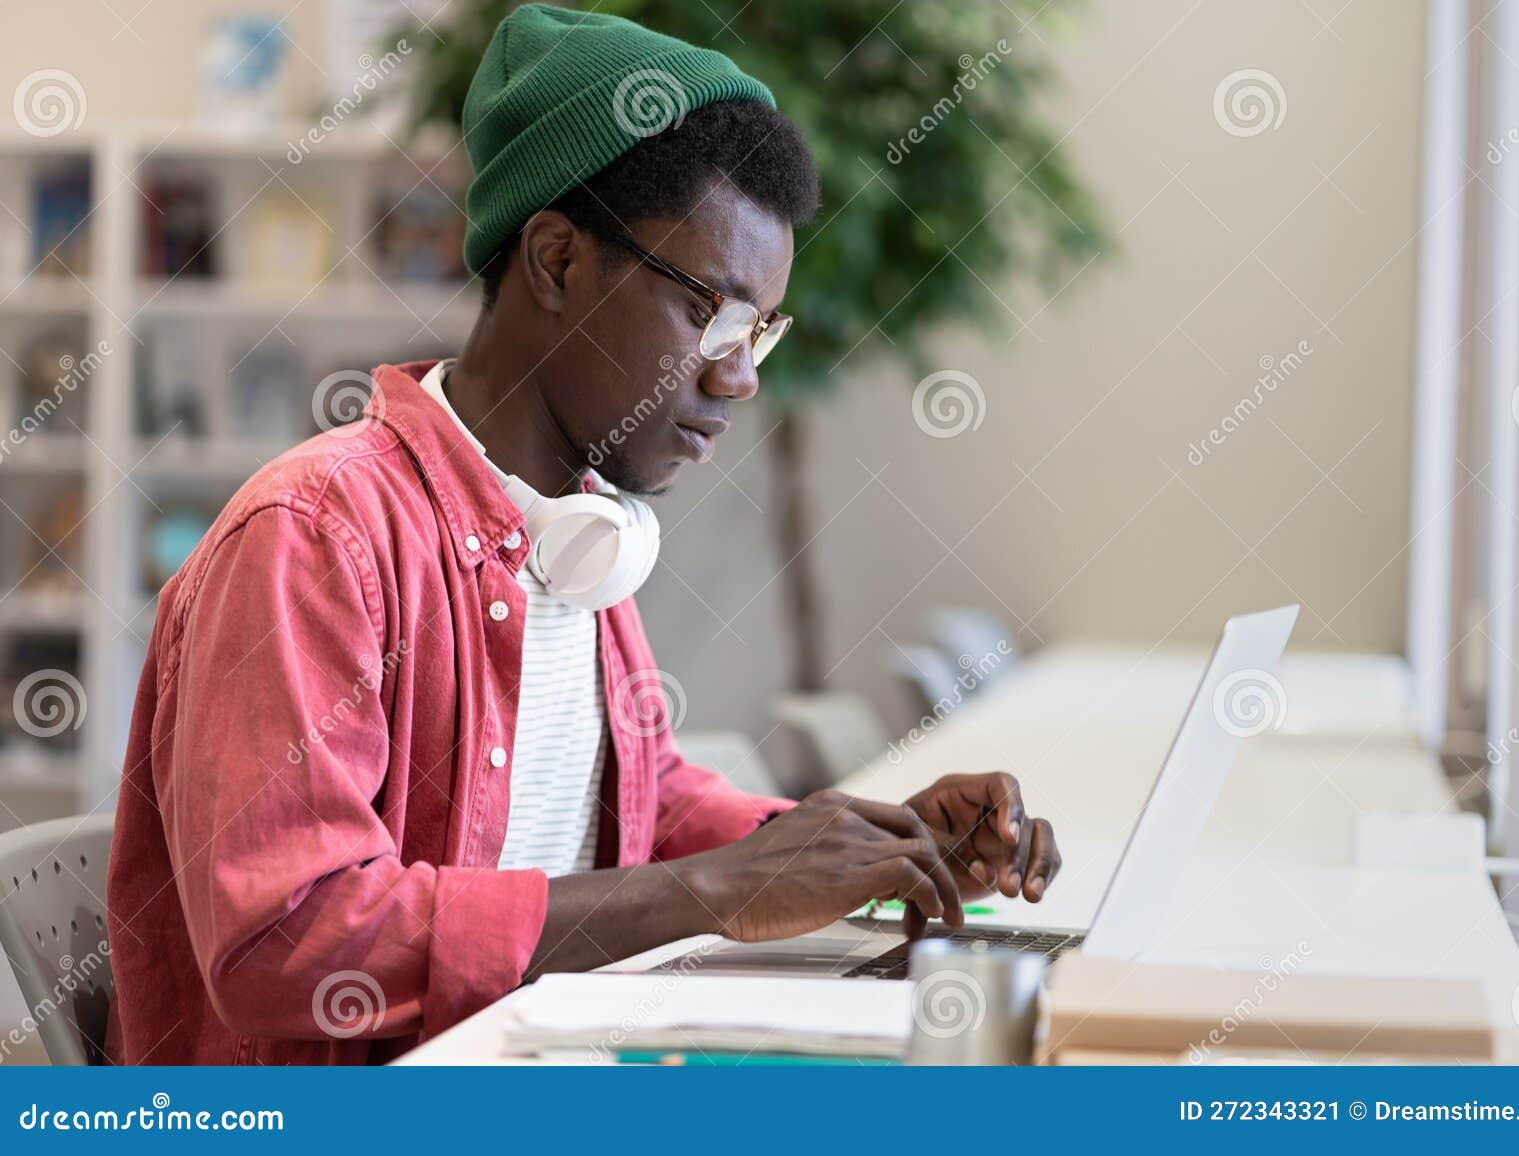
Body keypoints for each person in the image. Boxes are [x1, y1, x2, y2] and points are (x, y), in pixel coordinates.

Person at [105, 3, 1059, 1065]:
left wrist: (861, 846)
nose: (740, 376)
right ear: (556, 261)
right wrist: (703, 892)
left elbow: (629, 804)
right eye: (712, 312)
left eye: (762, 331)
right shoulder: (315, 537)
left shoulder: (574, 536)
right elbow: (290, 940)